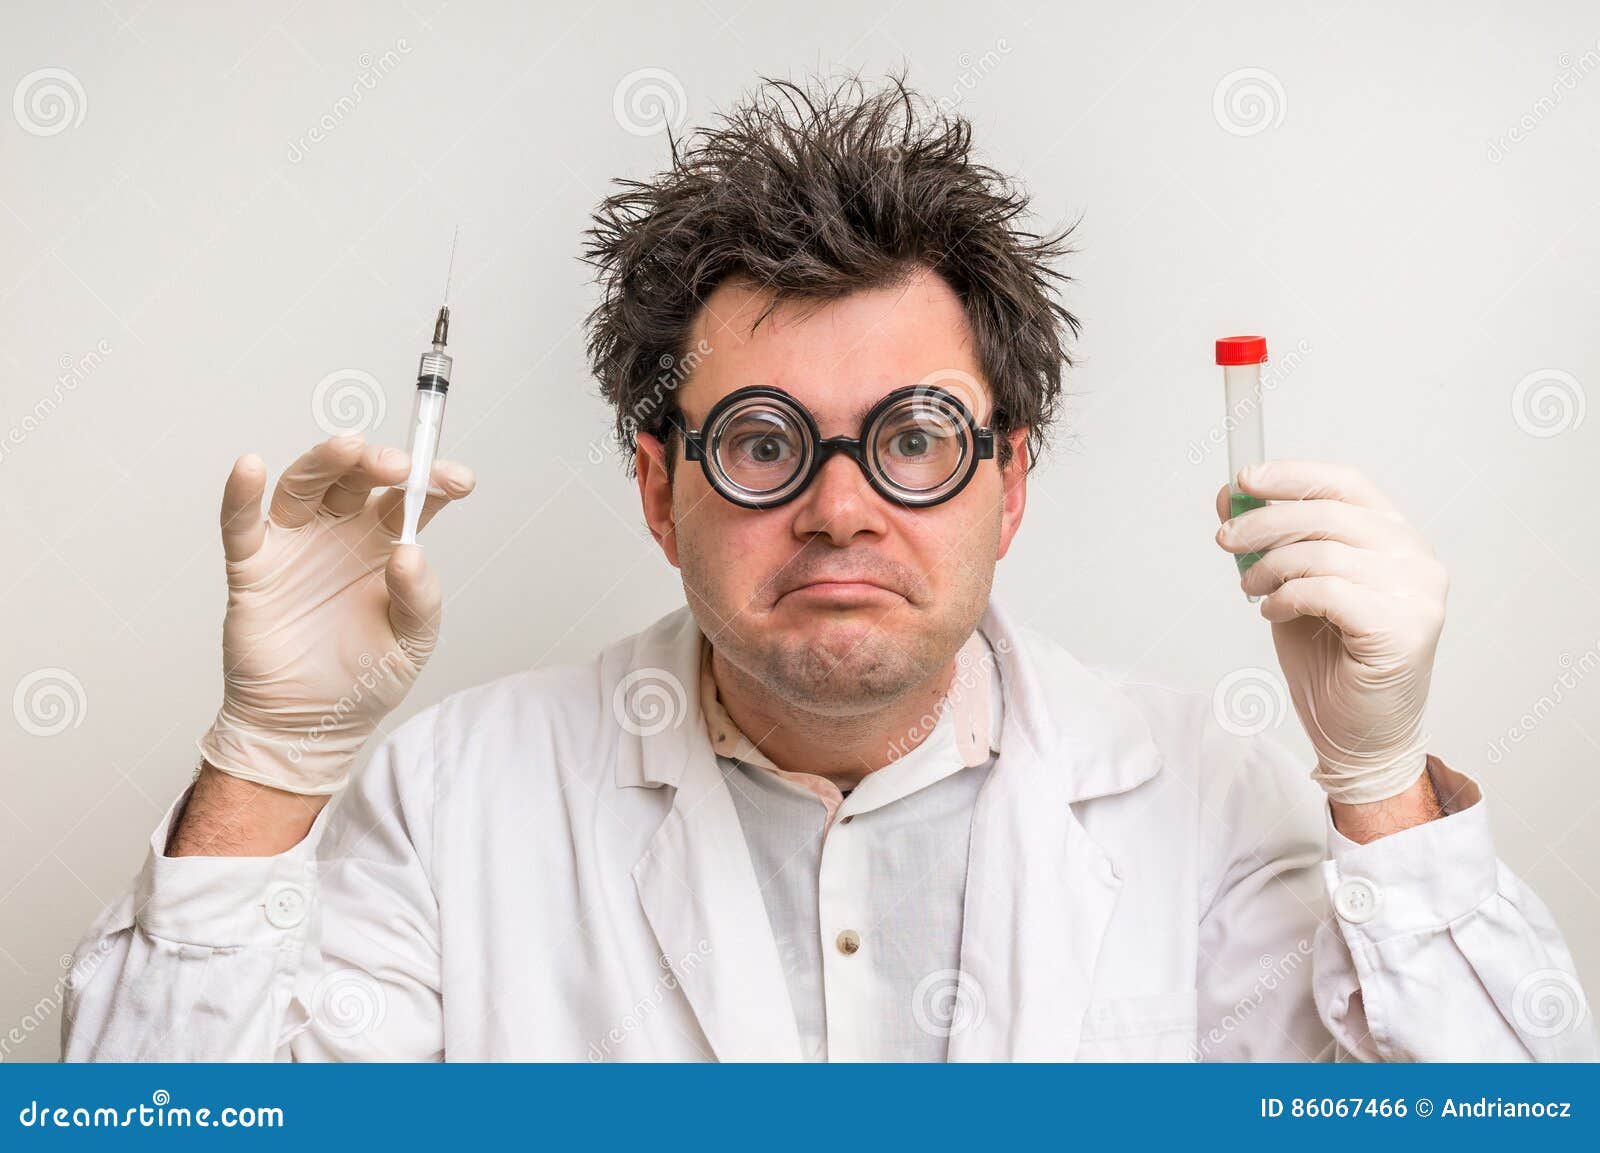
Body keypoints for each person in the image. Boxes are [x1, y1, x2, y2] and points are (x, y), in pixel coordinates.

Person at [62, 74, 1595, 1062]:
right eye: (764, 440)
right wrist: (267, 764)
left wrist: (1379, 787)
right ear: (661, 489)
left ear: (1011, 483)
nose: (843, 509)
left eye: (917, 436)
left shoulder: (1190, 787)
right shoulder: (461, 803)